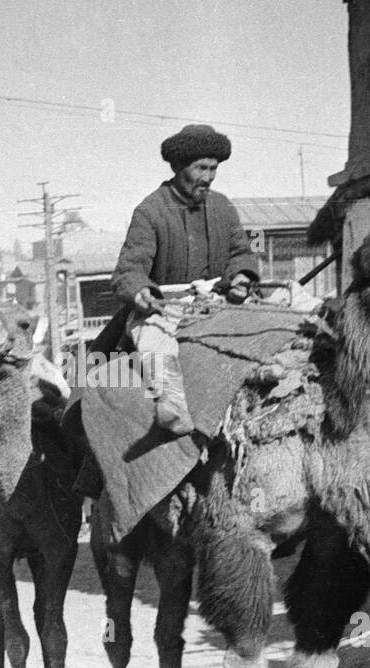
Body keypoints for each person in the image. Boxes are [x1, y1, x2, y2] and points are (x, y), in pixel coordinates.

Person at [110, 124, 260, 435]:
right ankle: (173, 406)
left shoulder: (223, 207)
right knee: (153, 339)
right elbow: (129, 270)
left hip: (217, 300)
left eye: (213, 168)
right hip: (166, 309)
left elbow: (241, 252)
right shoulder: (150, 212)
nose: (208, 177)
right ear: (178, 167)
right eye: (200, 168)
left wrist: (242, 276)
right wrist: (141, 294)